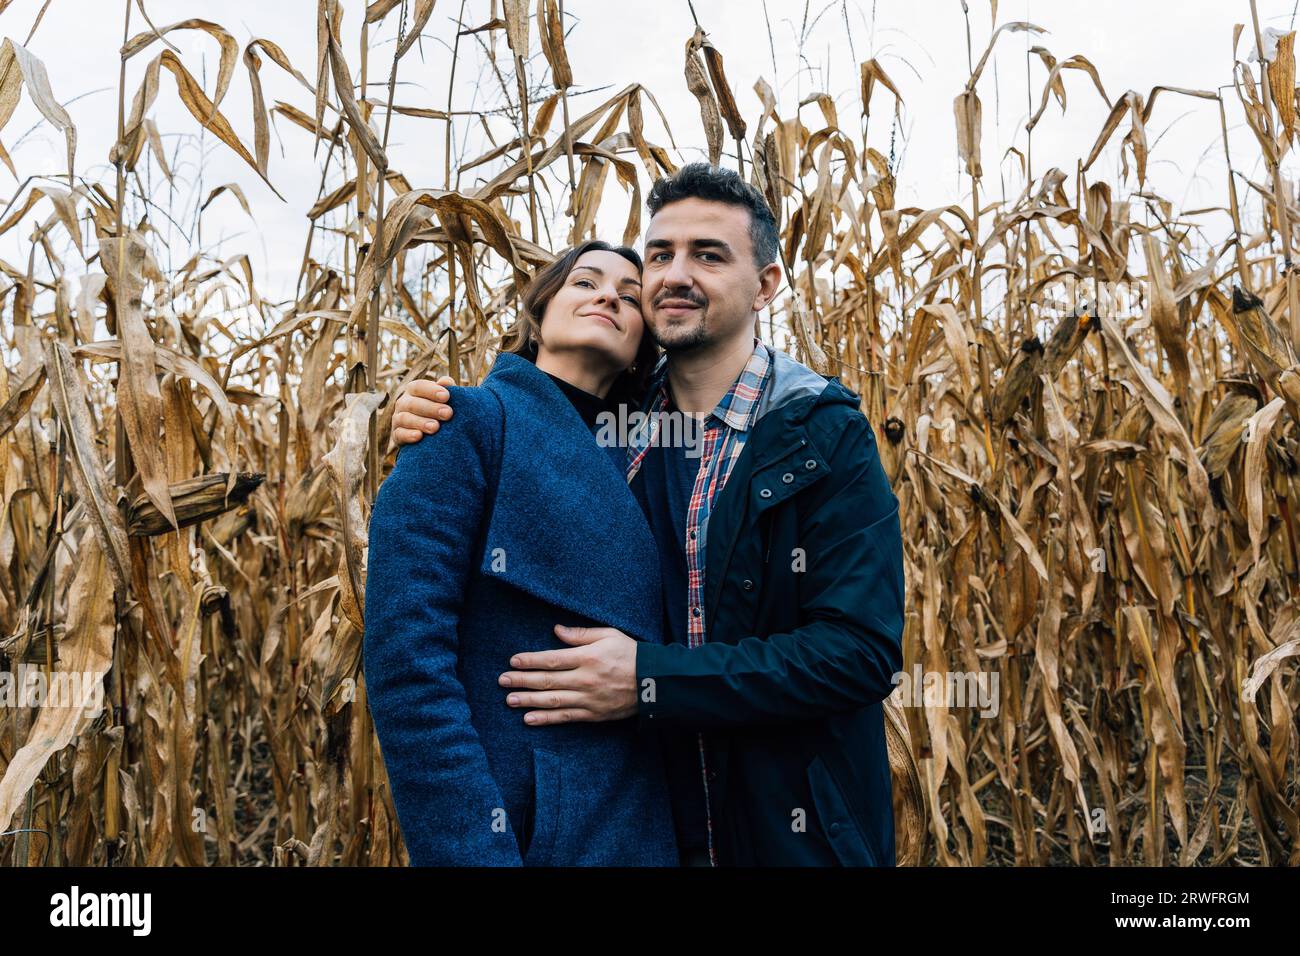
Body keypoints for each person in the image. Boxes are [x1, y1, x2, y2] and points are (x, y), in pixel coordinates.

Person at [391, 163, 906, 867]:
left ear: (765, 286)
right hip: (650, 832)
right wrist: (413, 415)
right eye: (659, 255)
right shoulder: (616, 438)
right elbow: (416, 645)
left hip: (791, 837)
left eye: (709, 254)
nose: (673, 274)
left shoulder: (822, 433)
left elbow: (858, 654)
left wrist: (649, 680)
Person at [363, 240, 678, 866]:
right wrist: (473, 849)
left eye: (630, 294)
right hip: (522, 829)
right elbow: (407, 658)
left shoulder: (663, 460)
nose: (608, 295)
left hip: (644, 824)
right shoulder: (465, 421)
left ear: (647, 340)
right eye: (584, 281)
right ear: (538, 314)